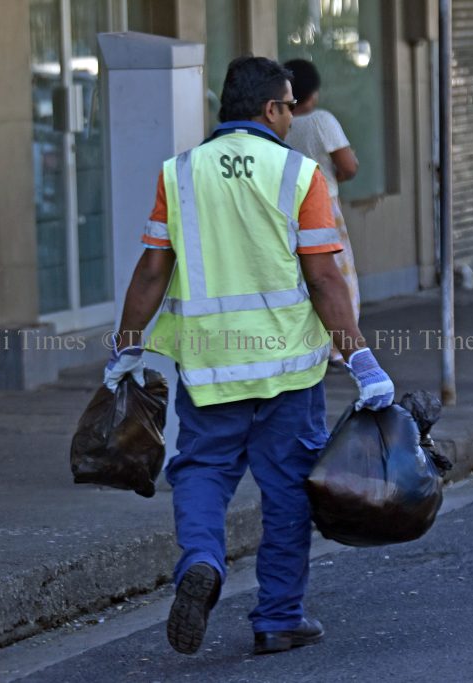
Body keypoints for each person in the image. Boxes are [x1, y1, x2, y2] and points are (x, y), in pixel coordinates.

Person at [102, 56, 396, 656]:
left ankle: (201, 561)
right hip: (288, 368)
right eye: (288, 107)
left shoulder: (180, 173)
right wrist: (360, 360)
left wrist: (126, 347)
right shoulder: (299, 174)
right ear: (270, 109)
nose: (291, 117)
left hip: (210, 364)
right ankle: (279, 617)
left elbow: (153, 270)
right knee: (287, 490)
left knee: (202, 472)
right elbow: (324, 278)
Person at [282, 59, 360, 364]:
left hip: (288, 207)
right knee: (334, 273)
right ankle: (340, 345)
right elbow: (348, 166)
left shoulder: (279, 124)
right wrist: (339, 175)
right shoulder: (321, 121)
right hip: (324, 206)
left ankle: (306, 341)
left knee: (299, 277)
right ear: (313, 93)